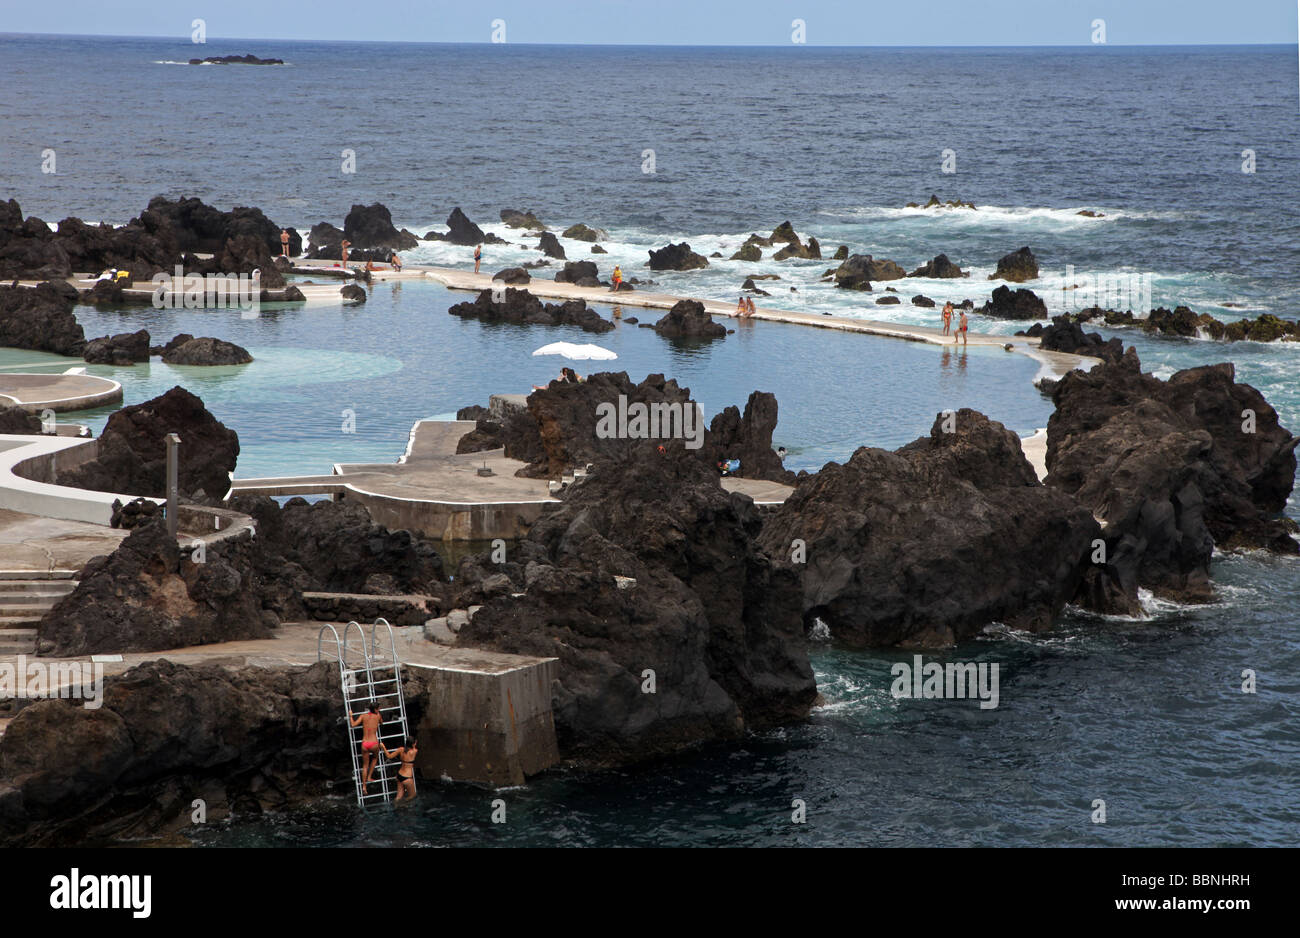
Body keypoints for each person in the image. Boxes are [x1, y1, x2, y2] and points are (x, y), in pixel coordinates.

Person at [349, 702, 383, 795]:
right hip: (374, 743)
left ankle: (364, 786)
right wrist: (378, 717)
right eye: (378, 708)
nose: (379, 710)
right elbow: (382, 723)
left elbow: (353, 725)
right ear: (375, 709)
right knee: (375, 758)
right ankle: (369, 776)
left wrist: (351, 716)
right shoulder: (378, 716)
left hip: (365, 743)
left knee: (365, 766)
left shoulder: (363, 716)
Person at [380, 736, 419, 804]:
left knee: (398, 797)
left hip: (399, 775)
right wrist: (413, 745)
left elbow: (389, 756)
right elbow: (413, 748)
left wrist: (383, 747)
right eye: (415, 743)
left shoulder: (401, 749)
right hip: (407, 777)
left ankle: (396, 807)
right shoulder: (414, 751)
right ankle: (402, 803)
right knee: (413, 796)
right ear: (413, 744)